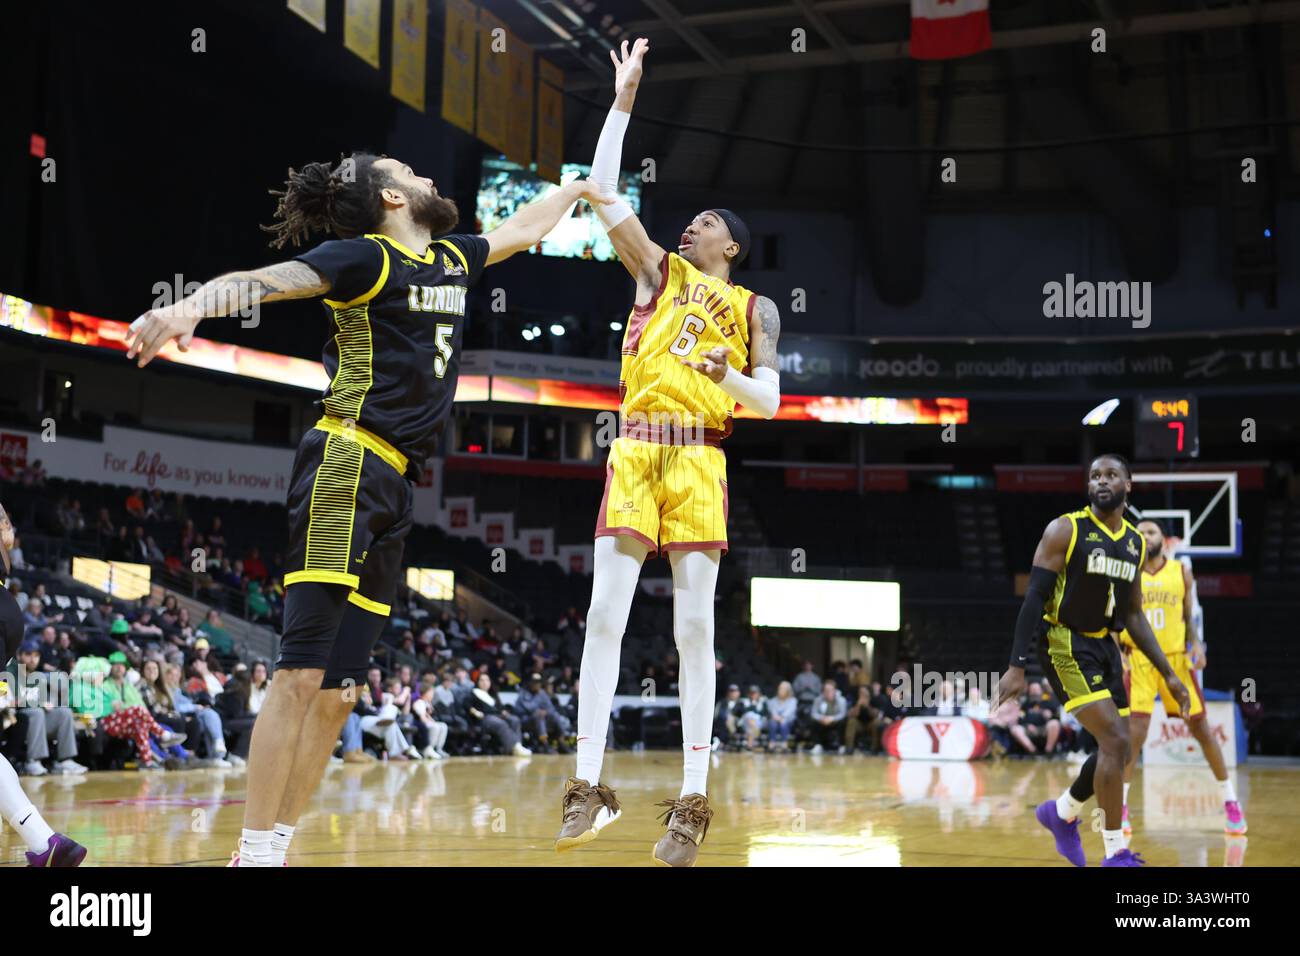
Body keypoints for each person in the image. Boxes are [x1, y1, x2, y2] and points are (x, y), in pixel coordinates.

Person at [127, 149, 609, 868]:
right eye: (411, 171)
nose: (428, 176)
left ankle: (277, 848)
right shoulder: (363, 259)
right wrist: (190, 304)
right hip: (346, 463)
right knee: (299, 673)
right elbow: (266, 281)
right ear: (389, 198)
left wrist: (575, 187)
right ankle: (253, 853)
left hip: (398, 487)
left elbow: (522, 232)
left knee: (342, 692)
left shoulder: (450, 256)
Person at [557, 38, 785, 868]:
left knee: (694, 629)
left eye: (710, 222)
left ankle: (691, 805)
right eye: (691, 219)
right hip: (638, 451)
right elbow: (604, 190)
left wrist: (729, 374)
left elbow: (772, 401)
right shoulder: (658, 274)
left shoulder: (754, 308)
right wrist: (623, 100)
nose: (693, 223)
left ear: (733, 247)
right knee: (604, 618)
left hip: (701, 462)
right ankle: (587, 785)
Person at [998, 454, 1189, 867]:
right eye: (1095, 476)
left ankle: (1062, 813)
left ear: (1128, 485)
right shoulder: (1065, 529)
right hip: (1063, 642)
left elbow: (1134, 616)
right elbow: (1033, 597)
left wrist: (1170, 675)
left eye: (1111, 475)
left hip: (1104, 645)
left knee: (1117, 750)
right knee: (1117, 740)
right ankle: (1115, 852)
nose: (1102, 481)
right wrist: (1017, 663)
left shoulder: (1135, 543)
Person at [1118, 519, 1246, 838]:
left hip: (1176, 660)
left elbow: (1187, 615)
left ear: (1165, 540)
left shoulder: (1181, 573)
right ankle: (1119, 807)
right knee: (1135, 733)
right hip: (1141, 660)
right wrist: (1119, 652)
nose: (1146, 536)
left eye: (1152, 532)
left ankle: (1230, 802)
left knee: (1202, 729)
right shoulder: (1126, 574)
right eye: (1141, 532)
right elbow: (1116, 619)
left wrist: (1197, 645)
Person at [515, 672, 571, 753]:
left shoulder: (542, 693)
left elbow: (551, 708)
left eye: (539, 682)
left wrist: (546, 711)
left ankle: (561, 742)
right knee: (538, 716)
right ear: (530, 683)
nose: (537, 685)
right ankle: (545, 744)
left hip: (542, 719)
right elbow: (523, 709)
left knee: (554, 715)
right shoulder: (523, 693)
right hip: (526, 720)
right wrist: (538, 710)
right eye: (535, 682)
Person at [808, 680, 847, 754]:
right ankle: (817, 745)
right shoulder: (818, 699)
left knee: (843, 722)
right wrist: (821, 718)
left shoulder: (842, 700)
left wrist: (832, 719)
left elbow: (842, 714)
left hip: (835, 721)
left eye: (830, 690)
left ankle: (842, 745)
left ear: (835, 690)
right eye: (826, 690)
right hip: (822, 721)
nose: (828, 692)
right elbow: (814, 713)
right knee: (813, 721)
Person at [765, 681, 797, 751]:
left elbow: (789, 713)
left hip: (788, 721)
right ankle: (772, 742)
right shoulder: (773, 700)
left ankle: (784, 743)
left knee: (784, 723)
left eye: (783, 689)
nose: (780, 690)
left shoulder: (793, 701)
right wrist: (778, 718)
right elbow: (773, 712)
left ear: (788, 691)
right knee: (772, 723)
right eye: (780, 688)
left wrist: (782, 718)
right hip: (775, 720)